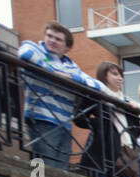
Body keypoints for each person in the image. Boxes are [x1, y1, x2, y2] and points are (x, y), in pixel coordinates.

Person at [17, 20, 103, 169]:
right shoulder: (34, 48)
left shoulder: (71, 66)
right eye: (49, 36)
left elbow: (97, 85)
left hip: (64, 123)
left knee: (62, 169)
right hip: (41, 117)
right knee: (43, 165)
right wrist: (54, 73)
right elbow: (25, 54)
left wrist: (70, 78)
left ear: (67, 46)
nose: (52, 41)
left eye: (58, 39)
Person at [78, 62, 135, 177]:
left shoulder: (126, 101)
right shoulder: (97, 95)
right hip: (100, 151)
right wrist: (98, 123)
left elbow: (136, 130)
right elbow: (79, 117)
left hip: (121, 153)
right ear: (104, 76)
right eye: (115, 74)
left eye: (121, 76)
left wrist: (134, 113)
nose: (120, 78)